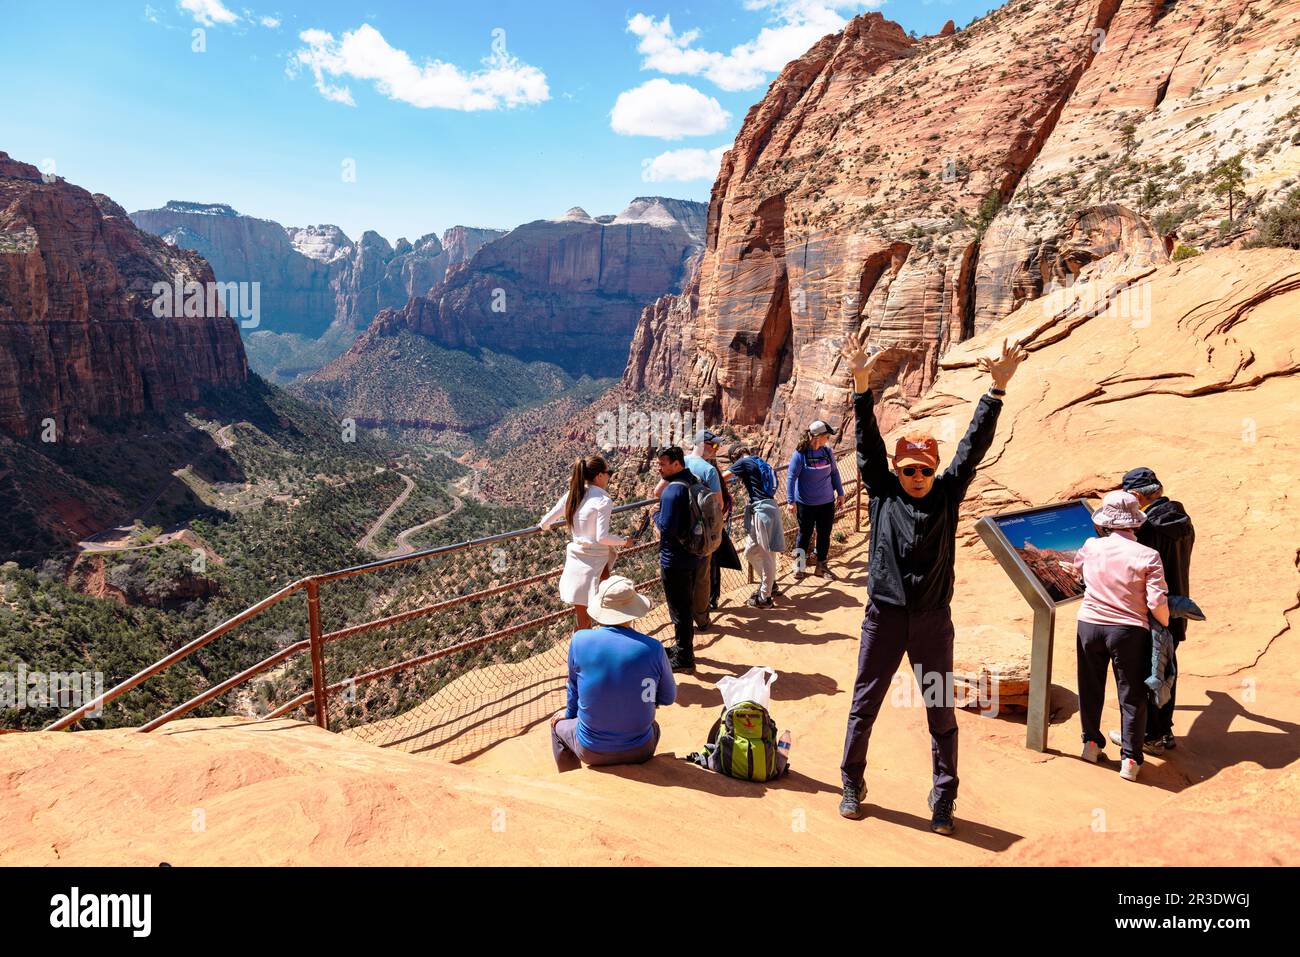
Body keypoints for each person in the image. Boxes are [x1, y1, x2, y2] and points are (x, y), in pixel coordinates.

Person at [837, 333, 1026, 834]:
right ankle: (852, 782)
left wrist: (996, 391)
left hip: (931, 625)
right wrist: (861, 383)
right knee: (864, 707)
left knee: (941, 714)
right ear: (896, 470)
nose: (918, 476)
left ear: (934, 470)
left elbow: (972, 448)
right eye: (909, 469)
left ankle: (944, 799)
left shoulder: (946, 496)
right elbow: (866, 442)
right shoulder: (881, 492)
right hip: (883, 620)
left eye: (925, 468)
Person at [1073, 490, 1170, 783]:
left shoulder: (1091, 546)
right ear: (1135, 522)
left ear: (1106, 522)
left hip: (1089, 624)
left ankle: (1090, 745)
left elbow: (1079, 574)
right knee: (1131, 696)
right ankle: (1129, 759)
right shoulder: (1148, 555)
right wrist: (1164, 624)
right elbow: (1156, 602)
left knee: (1090, 687)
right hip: (1127, 631)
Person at [550, 575, 677, 771]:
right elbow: (668, 698)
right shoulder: (653, 648)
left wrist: (568, 714)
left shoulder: (580, 640)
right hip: (641, 749)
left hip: (591, 750)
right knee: (654, 727)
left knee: (557, 728)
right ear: (633, 610)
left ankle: (571, 781)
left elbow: (573, 689)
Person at [1122, 466, 1194, 753]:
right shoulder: (1183, 518)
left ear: (1138, 495)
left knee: (1150, 672)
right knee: (1167, 670)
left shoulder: (1148, 528)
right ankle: (1163, 732)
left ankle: (1152, 735)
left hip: (1153, 610)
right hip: (1177, 608)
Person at [539, 455, 636, 631]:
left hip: (577, 561)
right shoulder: (603, 500)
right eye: (609, 473)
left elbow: (545, 522)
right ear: (599, 475)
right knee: (610, 613)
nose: (609, 477)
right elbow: (602, 538)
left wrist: (548, 528)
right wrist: (624, 542)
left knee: (583, 621)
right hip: (597, 562)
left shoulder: (573, 495)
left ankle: (579, 655)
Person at [652, 446, 702, 672]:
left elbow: (667, 526)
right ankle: (682, 646)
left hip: (675, 559)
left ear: (676, 463)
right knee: (685, 603)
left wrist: (654, 513)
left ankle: (684, 656)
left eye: (663, 464)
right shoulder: (693, 480)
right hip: (694, 554)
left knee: (678, 609)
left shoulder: (673, 491)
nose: (659, 468)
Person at [724, 443, 785, 608]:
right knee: (750, 552)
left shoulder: (743, 462)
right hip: (765, 508)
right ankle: (770, 585)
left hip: (763, 511)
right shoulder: (757, 460)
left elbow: (722, 478)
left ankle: (765, 598)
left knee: (767, 555)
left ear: (734, 458)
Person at [786, 419, 845, 579]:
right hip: (805, 503)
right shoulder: (800, 454)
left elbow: (834, 473)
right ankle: (799, 566)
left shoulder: (827, 452)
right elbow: (791, 477)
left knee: (824, 534)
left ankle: (821, 567)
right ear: (818, 437)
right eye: (827, 436)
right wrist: (790, 501)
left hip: (826, 502)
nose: (829, 439)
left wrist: (840, 493)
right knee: (804, 534)